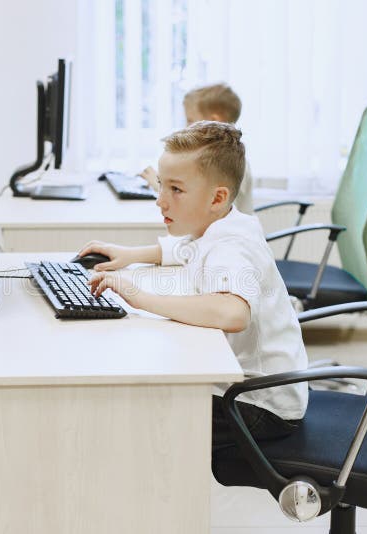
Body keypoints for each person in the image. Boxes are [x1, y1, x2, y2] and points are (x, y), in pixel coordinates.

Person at [82, 121, 308, 447]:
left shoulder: (232, 245)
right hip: (252, 390)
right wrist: (130, 254)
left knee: (130, 410)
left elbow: (233, 313)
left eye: (175, 189)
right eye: (161, 185)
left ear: (217, 198)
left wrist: (138, 296)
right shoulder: (219, 225)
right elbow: (184, 249)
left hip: (260, 407)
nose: (160, 201)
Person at [140, 83, 254, 213]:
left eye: (190, 120)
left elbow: (216, 211)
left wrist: (159, 186)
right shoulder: (207, 157)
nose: (186, 127)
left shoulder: (229, 163)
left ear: (213, 120)